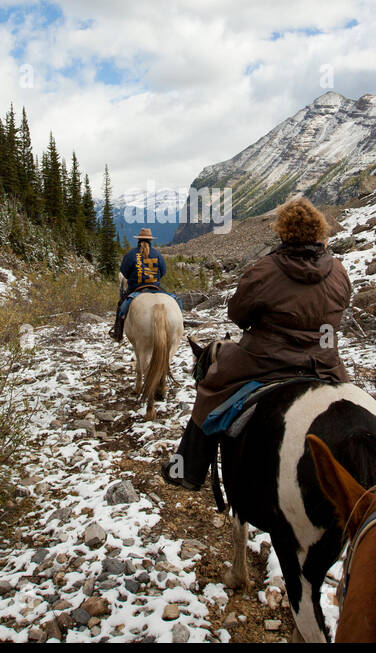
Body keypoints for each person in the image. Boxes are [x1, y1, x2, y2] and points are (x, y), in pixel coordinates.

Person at [160, 197, 351, 490]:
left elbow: (237, 314)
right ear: (318, 231)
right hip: (323, 360)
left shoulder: (265, 269)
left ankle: (188, 470)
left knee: (211, 387)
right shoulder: (338, 271)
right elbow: (340, 308)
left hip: (265, 358)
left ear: (283, 231)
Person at [110, 227, 167, 341]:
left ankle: (118, 333)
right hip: (155, 287)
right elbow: (163, 271)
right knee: (175, 300)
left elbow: (124, 272)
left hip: (136, 288)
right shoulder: (157, 254)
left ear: (139, 240)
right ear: (150, 240)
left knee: (121, 306)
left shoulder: (131, 254)